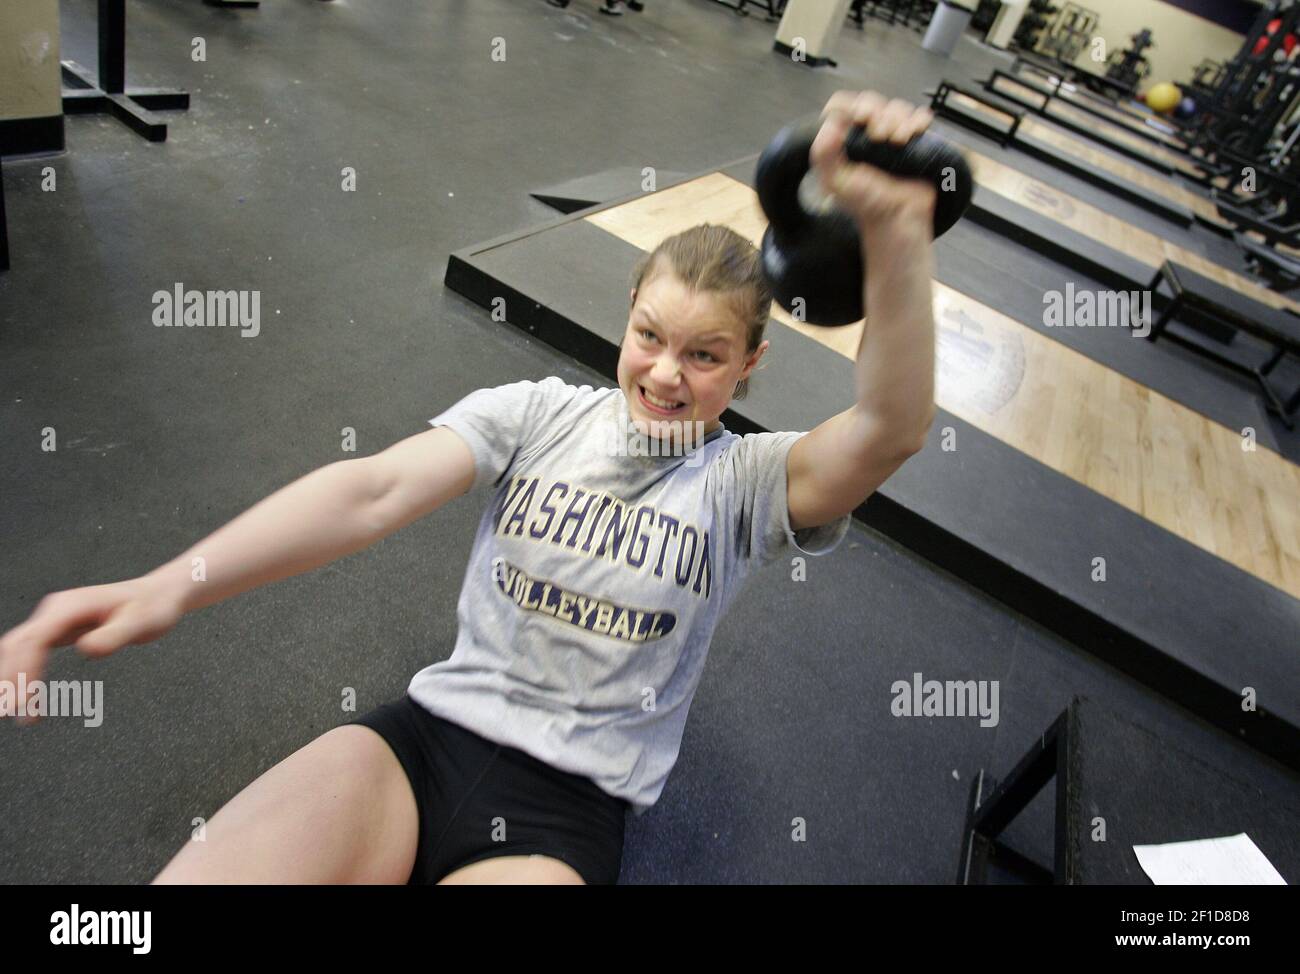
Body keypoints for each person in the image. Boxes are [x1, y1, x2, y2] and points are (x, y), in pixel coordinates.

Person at [0, 91, 938, 884]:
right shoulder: (537, 414)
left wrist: (896, 237)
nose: (664, 374)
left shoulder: (747, 484)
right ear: (626, 318)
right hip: (426, 739)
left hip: (565, 808)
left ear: (750, 366)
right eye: (650, 336)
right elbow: (369, 492)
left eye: (706, 356)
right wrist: (170, 584)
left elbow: (889, 428)